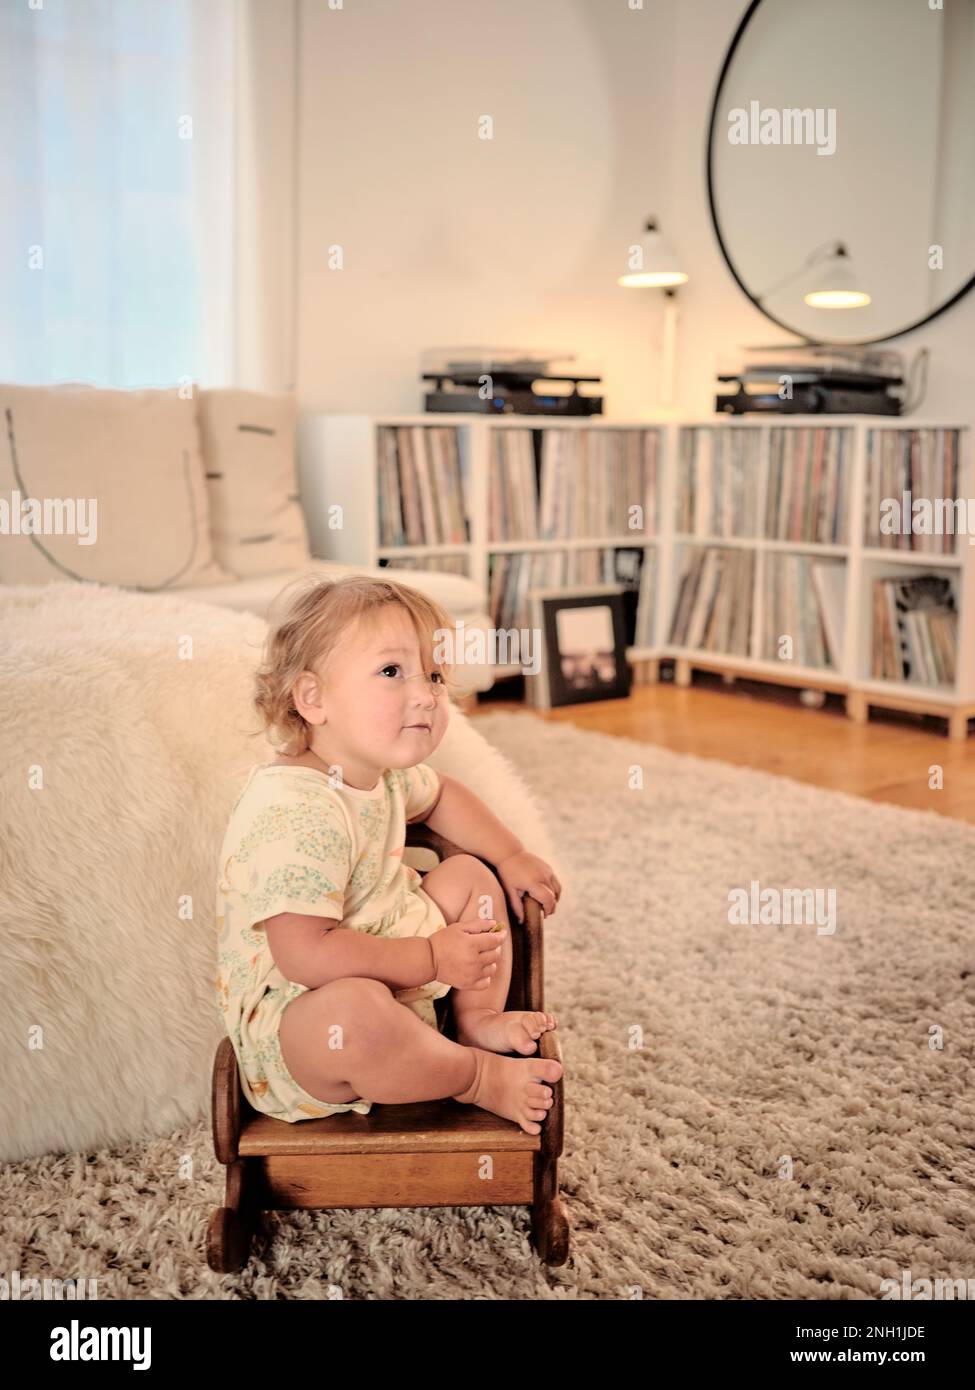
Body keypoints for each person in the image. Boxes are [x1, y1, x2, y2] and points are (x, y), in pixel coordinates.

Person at [214, 574, 563, 1135]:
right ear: (314, 698)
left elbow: (443, 796)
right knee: (355, 1015)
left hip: (394, 956)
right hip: (306, 1019)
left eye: (434, 674)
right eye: (392, 672)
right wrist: (429, 959)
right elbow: (305, 956)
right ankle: (474, 1076)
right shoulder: (296, 810)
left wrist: (512, 853)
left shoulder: (381, 775)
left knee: (472, 877)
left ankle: (476, 1020)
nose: (426, 694)